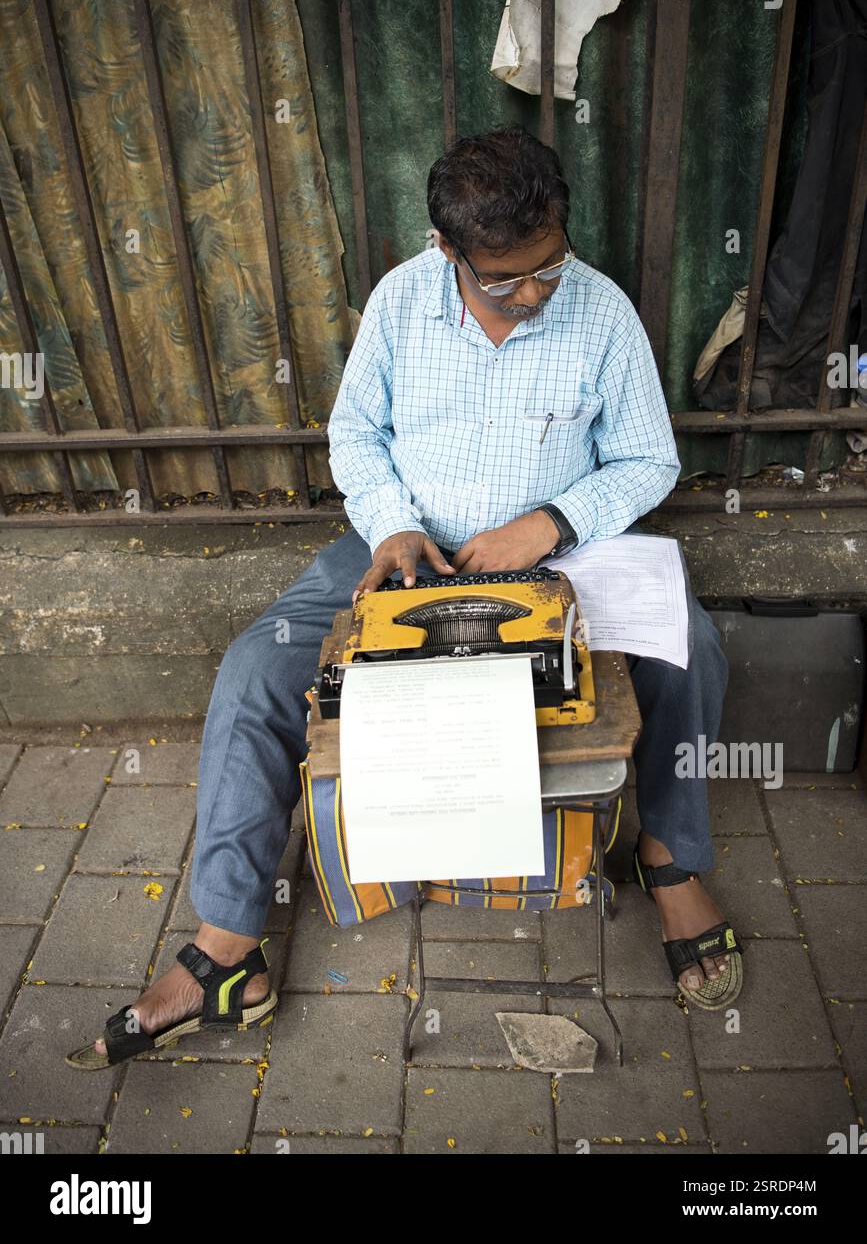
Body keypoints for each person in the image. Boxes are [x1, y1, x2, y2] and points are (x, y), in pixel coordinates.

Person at [69, 125, 740, 1069]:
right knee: (256, 671)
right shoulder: (398, 303)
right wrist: (388, 524)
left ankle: (671, 862)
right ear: (448, 252)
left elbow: (646, 459)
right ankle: (228, 943)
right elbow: (356, 435)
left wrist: (547, 524)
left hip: (565, 553)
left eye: (548, 265)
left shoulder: (600, 311)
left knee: (690, 650)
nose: (534, 293)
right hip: (406, 550)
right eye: (503, 280)